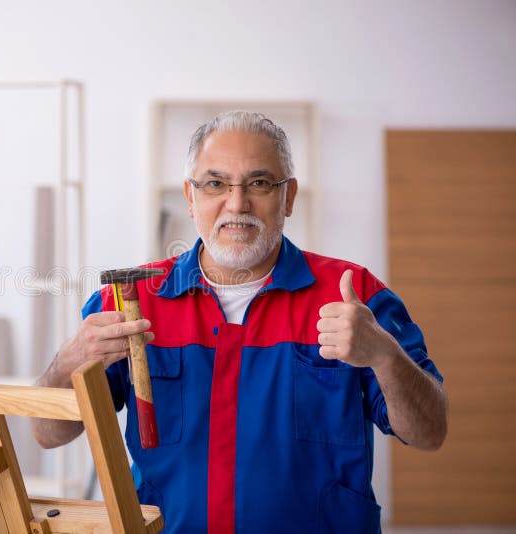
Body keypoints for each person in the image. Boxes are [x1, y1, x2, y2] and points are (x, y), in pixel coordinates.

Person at [31, 111, 447, 533]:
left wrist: (385, 356)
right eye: (215, 184)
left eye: (259, 182)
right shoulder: (131, 302)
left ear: (288, 197)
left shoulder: (355, 296)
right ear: (190, 197)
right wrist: (67, 363)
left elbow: (430, 432)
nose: (236, 204)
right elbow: (48, 434)